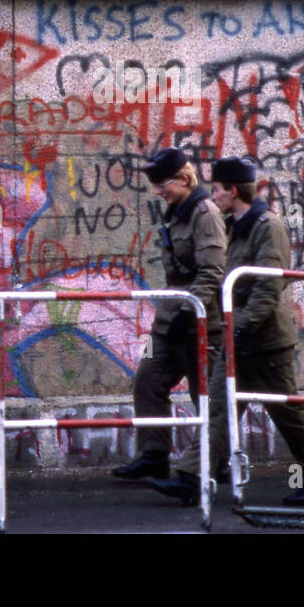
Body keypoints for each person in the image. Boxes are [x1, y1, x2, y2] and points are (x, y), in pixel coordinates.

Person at [150, 157, 304, 507]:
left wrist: (238, 325)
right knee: (219, 407)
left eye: (217, 189)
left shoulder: (268, 226)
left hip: (266, 341)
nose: (212, 195)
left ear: (233, 191)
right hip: (239, 336)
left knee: (286, 411)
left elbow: (268, 289)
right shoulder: (237, 225)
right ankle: (192, 476)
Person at [111, 148, 226, 481]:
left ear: (185, 178)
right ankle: (154, 455)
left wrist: (189, 315)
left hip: (200, 322)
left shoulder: (205, 212)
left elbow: (212, 272)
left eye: (163, 183)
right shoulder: (176, 211)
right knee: (147, 380)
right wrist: (172, 318)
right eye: (155, 183)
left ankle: (215, 463)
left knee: (204, 394)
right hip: (166, 323)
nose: (158, 191)